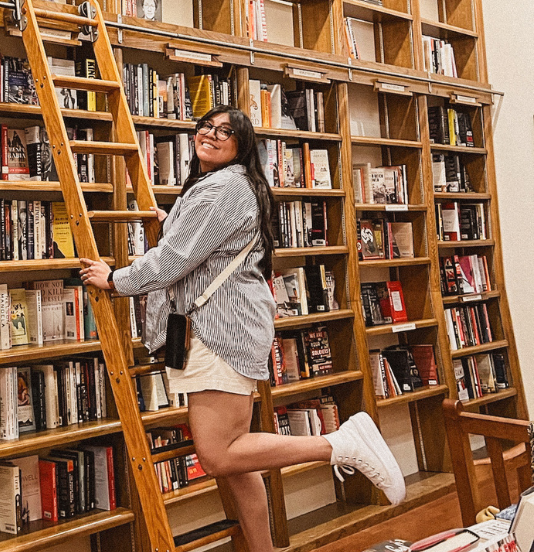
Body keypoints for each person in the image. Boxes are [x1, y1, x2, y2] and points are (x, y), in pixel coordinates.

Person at [79, 105, 405, 552]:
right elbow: (204, 244)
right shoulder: (221, 187)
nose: (211, 135)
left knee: (218, 454)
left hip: (218, 331)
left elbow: (173, 261)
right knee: (238, 461)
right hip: (222, 327)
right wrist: (171, 221)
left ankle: (339, 443)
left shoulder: (223, 188)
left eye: (225, 132)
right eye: (206, 127)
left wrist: (115, 280)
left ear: (241, 146)